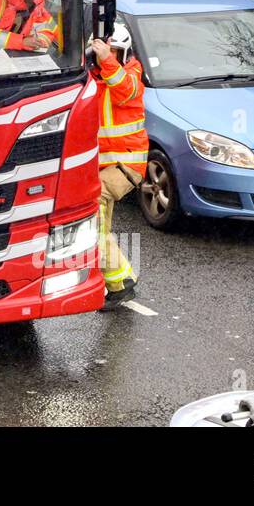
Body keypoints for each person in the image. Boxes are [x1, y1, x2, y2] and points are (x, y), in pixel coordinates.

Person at [90, 24, 149, 309]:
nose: (108, 55)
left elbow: (126, 91)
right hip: (101, 165)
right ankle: (118, 284)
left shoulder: (132, 72)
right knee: (98, 227)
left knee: (92, 202)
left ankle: (121, 279)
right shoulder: (95, 76)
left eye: (114, 52)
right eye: (104, 50)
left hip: (127, 165)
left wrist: (106, 60)